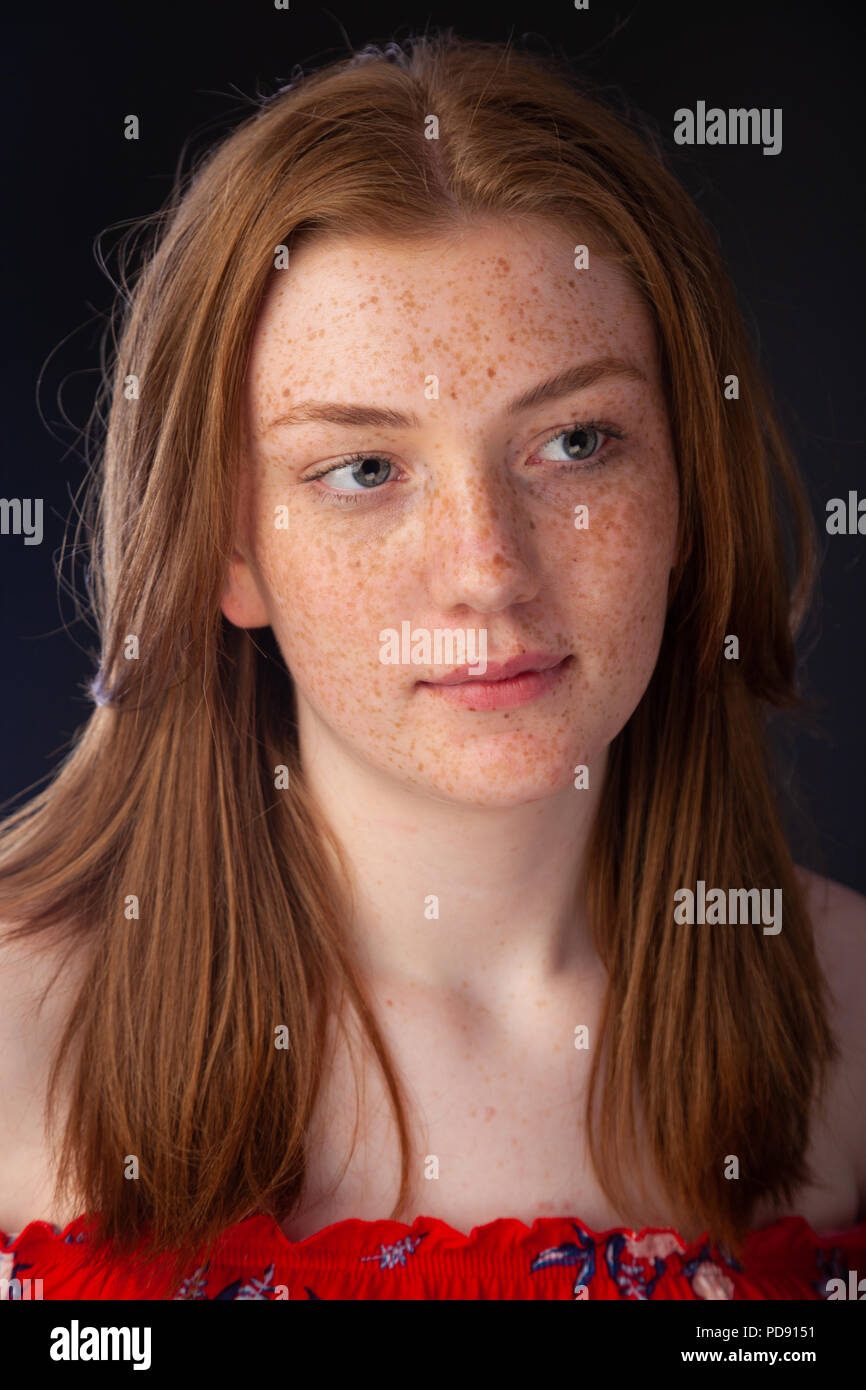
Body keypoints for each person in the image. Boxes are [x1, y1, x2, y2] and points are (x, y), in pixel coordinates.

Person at [1, 31, 864, 1302]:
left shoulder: (850, 1013)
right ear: (228, 548)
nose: (486, 569)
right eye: (362, 469)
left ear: (688, 491)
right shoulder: (13, 1023)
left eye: (574, 441)